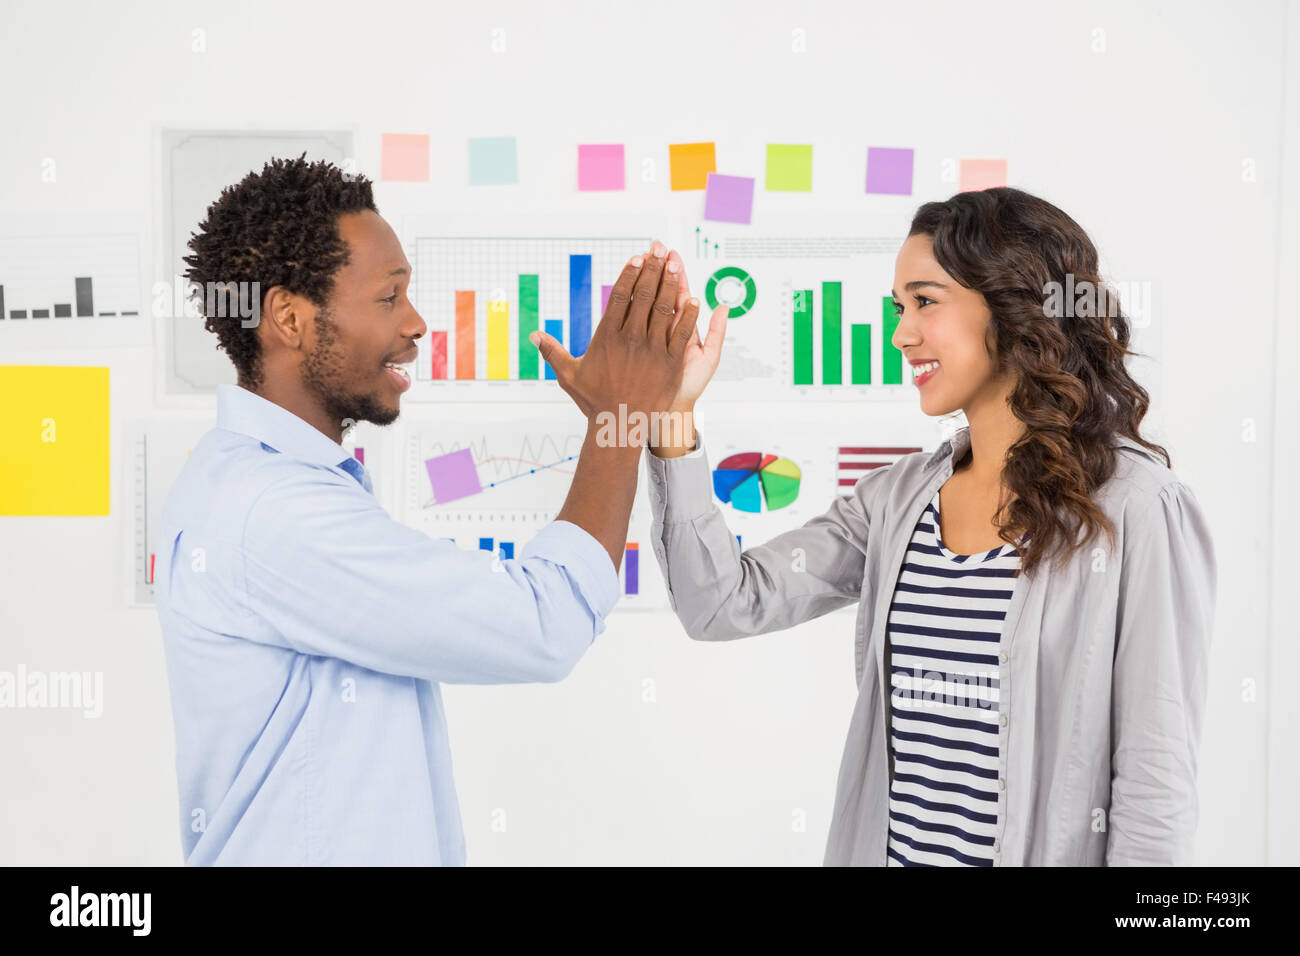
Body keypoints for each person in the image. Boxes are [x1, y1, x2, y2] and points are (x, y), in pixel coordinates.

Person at [630, 187, 1217, 866]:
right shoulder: (896, 501)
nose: (900, 333)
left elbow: (1155, 784)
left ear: (1014, 304)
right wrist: (675, 417)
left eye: (925, 302)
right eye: (898, 309)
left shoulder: (1138, 510)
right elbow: (720, 604)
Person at [155, 155, 704, 865]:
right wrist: (619, 416)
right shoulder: (272, 511)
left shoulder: (252, 481)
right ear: (288, 318)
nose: (416, 323)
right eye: (389, 297)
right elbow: (546, 622)